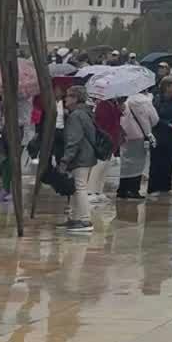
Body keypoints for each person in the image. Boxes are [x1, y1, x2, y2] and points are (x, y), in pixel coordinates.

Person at [60, 85, 98, 234]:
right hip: (87, 155)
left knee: (80, 187)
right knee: (77, 187)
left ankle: (85, 220)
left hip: (80, 156)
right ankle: (76, 218)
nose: (65, 98)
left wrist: (65, 159)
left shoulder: (76, 115)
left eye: (68, 95)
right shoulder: (85, 113)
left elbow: (74, 140)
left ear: (75, 98)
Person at [148, 77, 172, 194]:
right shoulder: (158, 99)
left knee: (169, 162)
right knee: (156, 162)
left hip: (171, 136)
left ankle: (166, 187)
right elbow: (155, 117)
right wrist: (168, 124)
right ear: (167, 87)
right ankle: (153, 187)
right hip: (159, 134)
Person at [118, 93, 156, 201]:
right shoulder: (146, 102)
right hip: (140, 136)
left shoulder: (126, 102)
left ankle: (122, 189)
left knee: (125, 162)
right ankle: (133, 190)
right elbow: (155, 119)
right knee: (138, 164)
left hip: (126, 135)